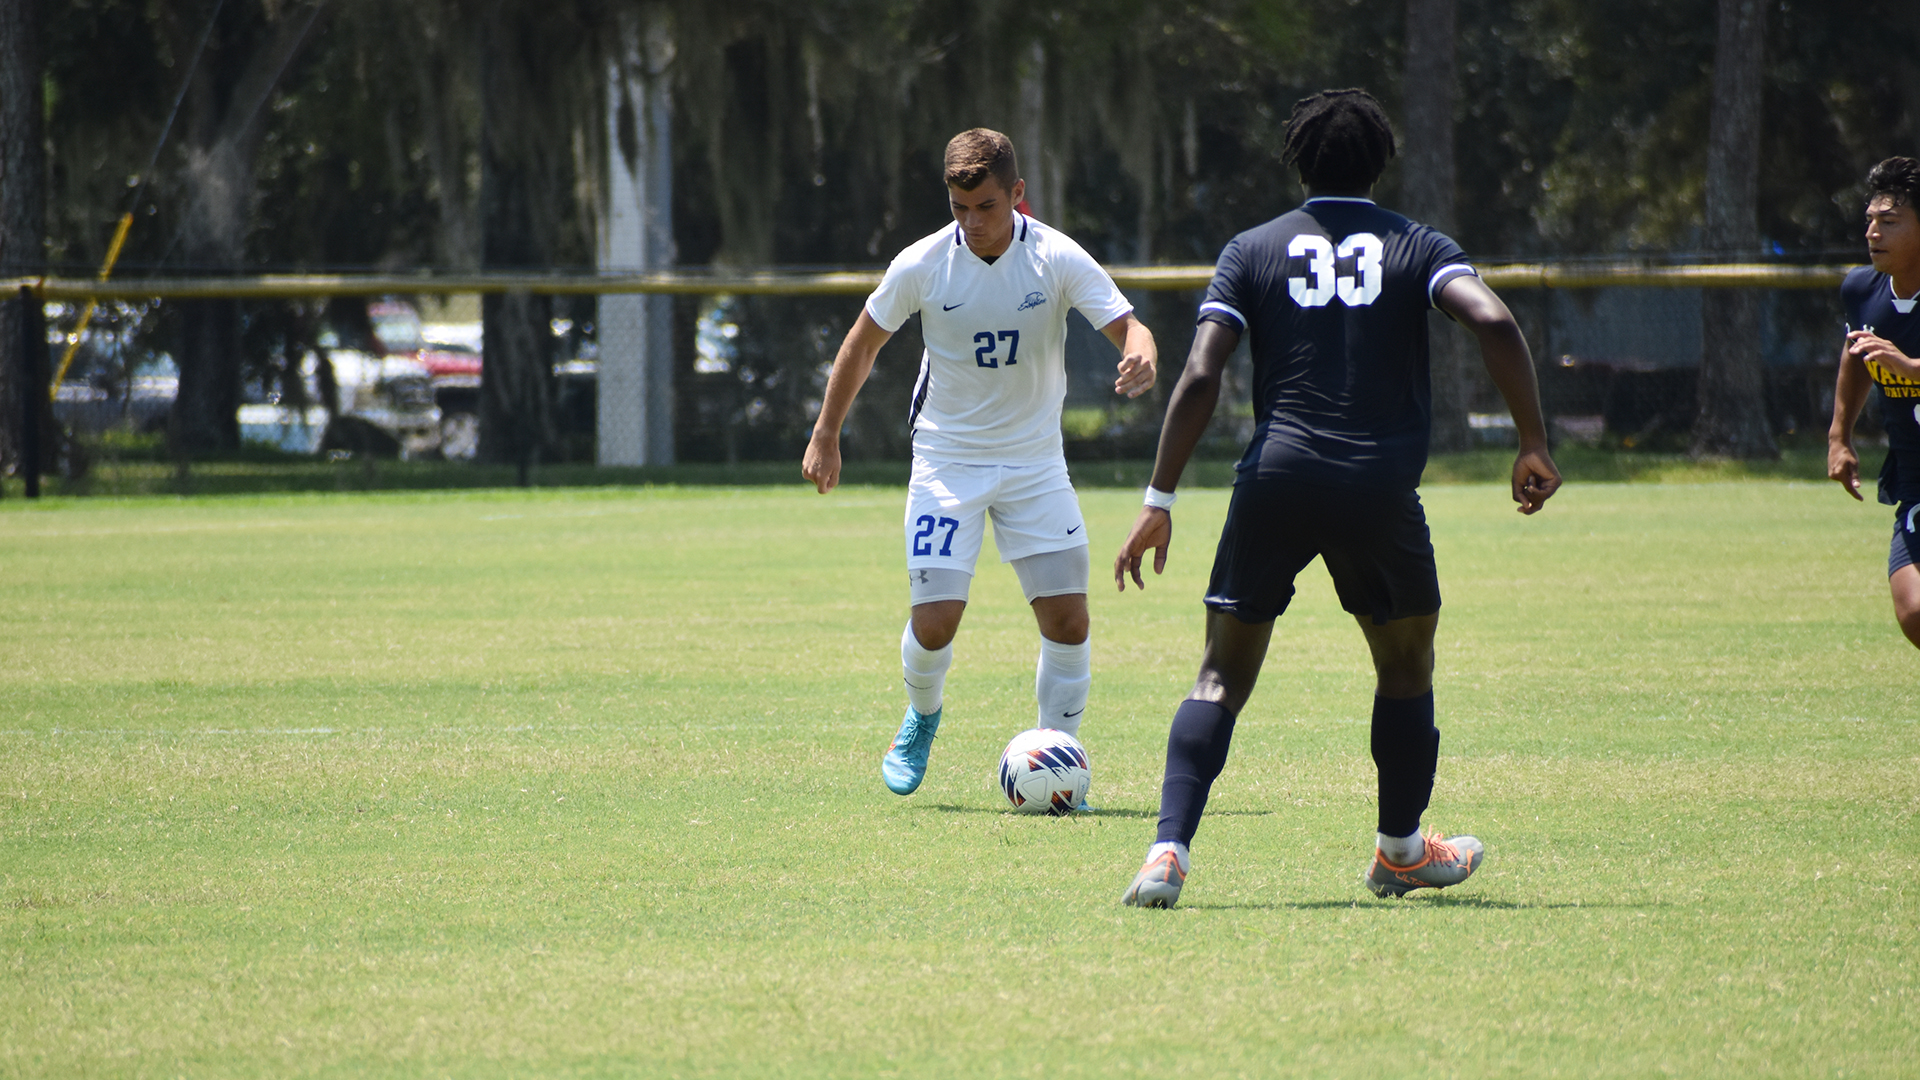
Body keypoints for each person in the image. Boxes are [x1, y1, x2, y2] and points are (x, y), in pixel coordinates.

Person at [1109, 89, 1561, 908]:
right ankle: (1399, 850)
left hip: (1275, 477)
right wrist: (1531, 440)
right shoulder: (1418, 246)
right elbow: (1493, 322)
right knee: (1404, 667)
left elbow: (1202, 374)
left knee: (1219, 676)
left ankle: (1166, 853)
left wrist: (1158, 496)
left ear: (1297, 161)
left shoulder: (1250, 250)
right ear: (1382, 163)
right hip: (1377, 488)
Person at [803, 128, 1158, 799]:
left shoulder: (1054, 256)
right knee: (935, 623)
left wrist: (1142, 354)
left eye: (986, 207)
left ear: (1017, 195)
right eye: (959, 209)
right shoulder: (925, 263)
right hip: (948, 461)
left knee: (1069, 620)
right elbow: (863, 342)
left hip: (1035, 465)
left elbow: (1129, 327)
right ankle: (922, 716)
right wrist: (827, 431)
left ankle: (1061, 764)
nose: (972, 223)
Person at [1829, 156, 1920, 651]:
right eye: (1870, 220)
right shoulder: (1862, 290)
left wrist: (1910, 368)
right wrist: (1839, 435)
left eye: (1889, 222)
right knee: (1915, 612)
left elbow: (1898, 363)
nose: (1872, 232)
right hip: (1915, 478)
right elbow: (1856, 351)